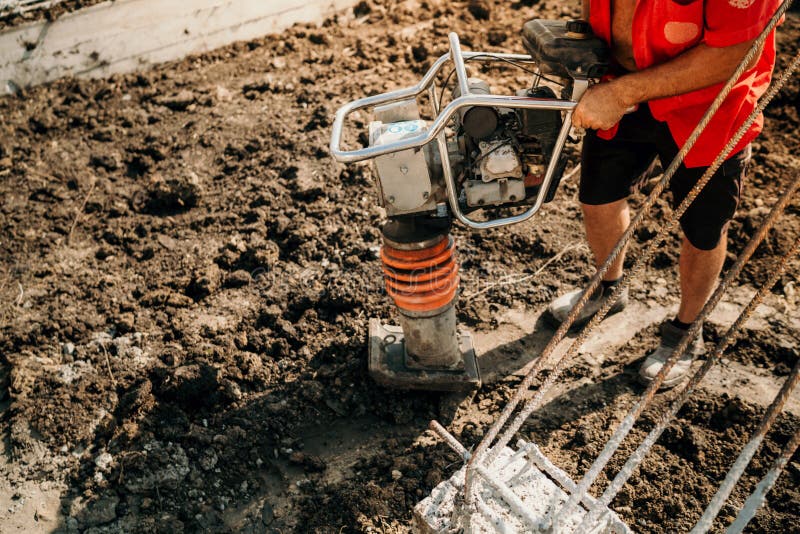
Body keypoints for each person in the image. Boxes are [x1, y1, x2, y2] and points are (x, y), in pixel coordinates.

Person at [544, 0, 781, 388]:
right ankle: (608, 288)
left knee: (703, 228)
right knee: (598, 198)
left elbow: (734, 53)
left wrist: (623, 93)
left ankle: (685, 330)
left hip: (710, 102)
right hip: (617, 79)